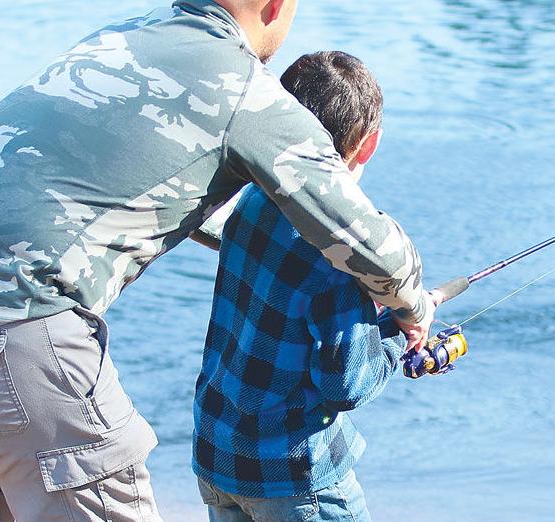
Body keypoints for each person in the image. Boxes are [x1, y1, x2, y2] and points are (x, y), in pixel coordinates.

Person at [0, 1, 435, 521]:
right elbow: (362, 237)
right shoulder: (245, 87)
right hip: (4, 322)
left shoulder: (120, 38)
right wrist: (412, 308)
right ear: (275, 5)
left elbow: (136, 200)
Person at [194, 51, 402, 522]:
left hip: (217, 452)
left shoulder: (251, 200)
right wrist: (396, 345)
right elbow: (346, 384)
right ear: (368, 145)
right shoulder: (342, 250)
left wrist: (377, 319)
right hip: (292, 476)